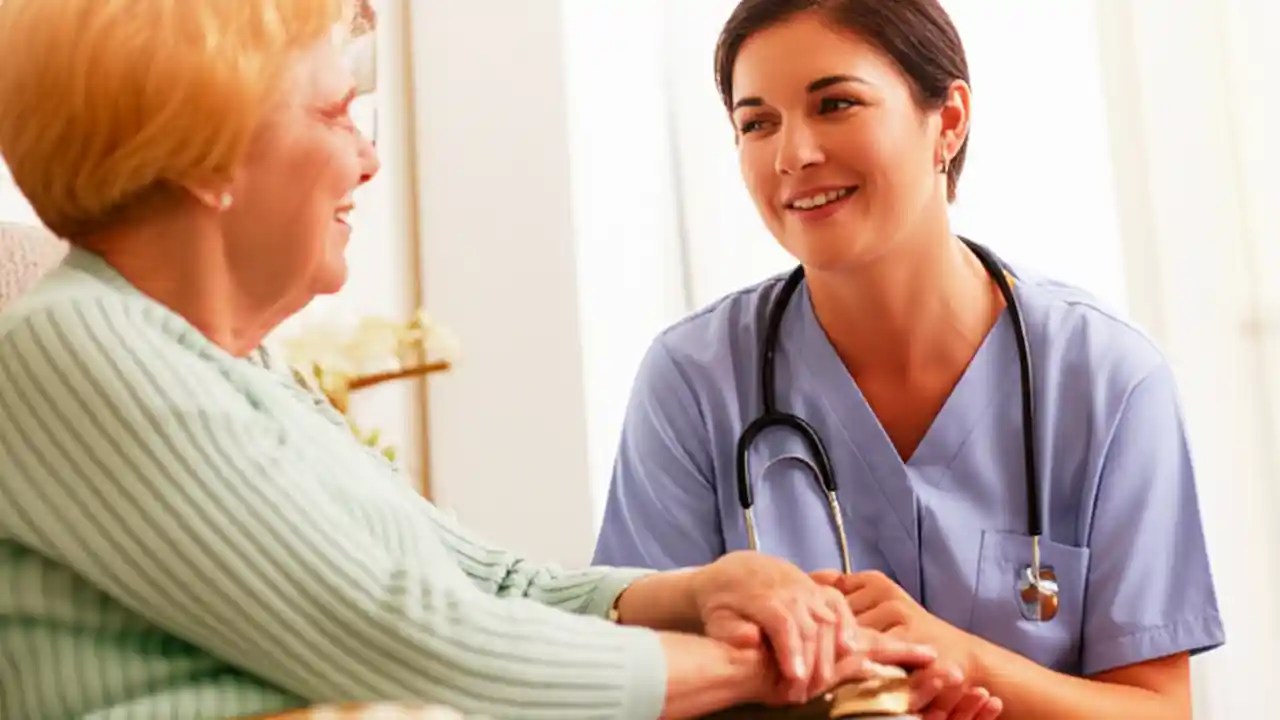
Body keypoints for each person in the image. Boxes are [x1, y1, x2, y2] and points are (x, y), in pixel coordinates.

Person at [0, 1, 970, 719]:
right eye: (338, 114)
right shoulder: (72, 349)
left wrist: (702, 590)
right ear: (205, 154)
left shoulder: (251, 375)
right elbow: (413, 642)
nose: (367, 160)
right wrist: (786, 666)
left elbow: (489, 586)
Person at [593, 0, 1226, 718]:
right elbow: (635, 679)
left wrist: (964, 657)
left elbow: (1157, 710)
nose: (792, 155)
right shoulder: (693, 379)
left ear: (948, 120)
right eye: (756, 122)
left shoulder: (1105, 376)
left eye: (835, 104)